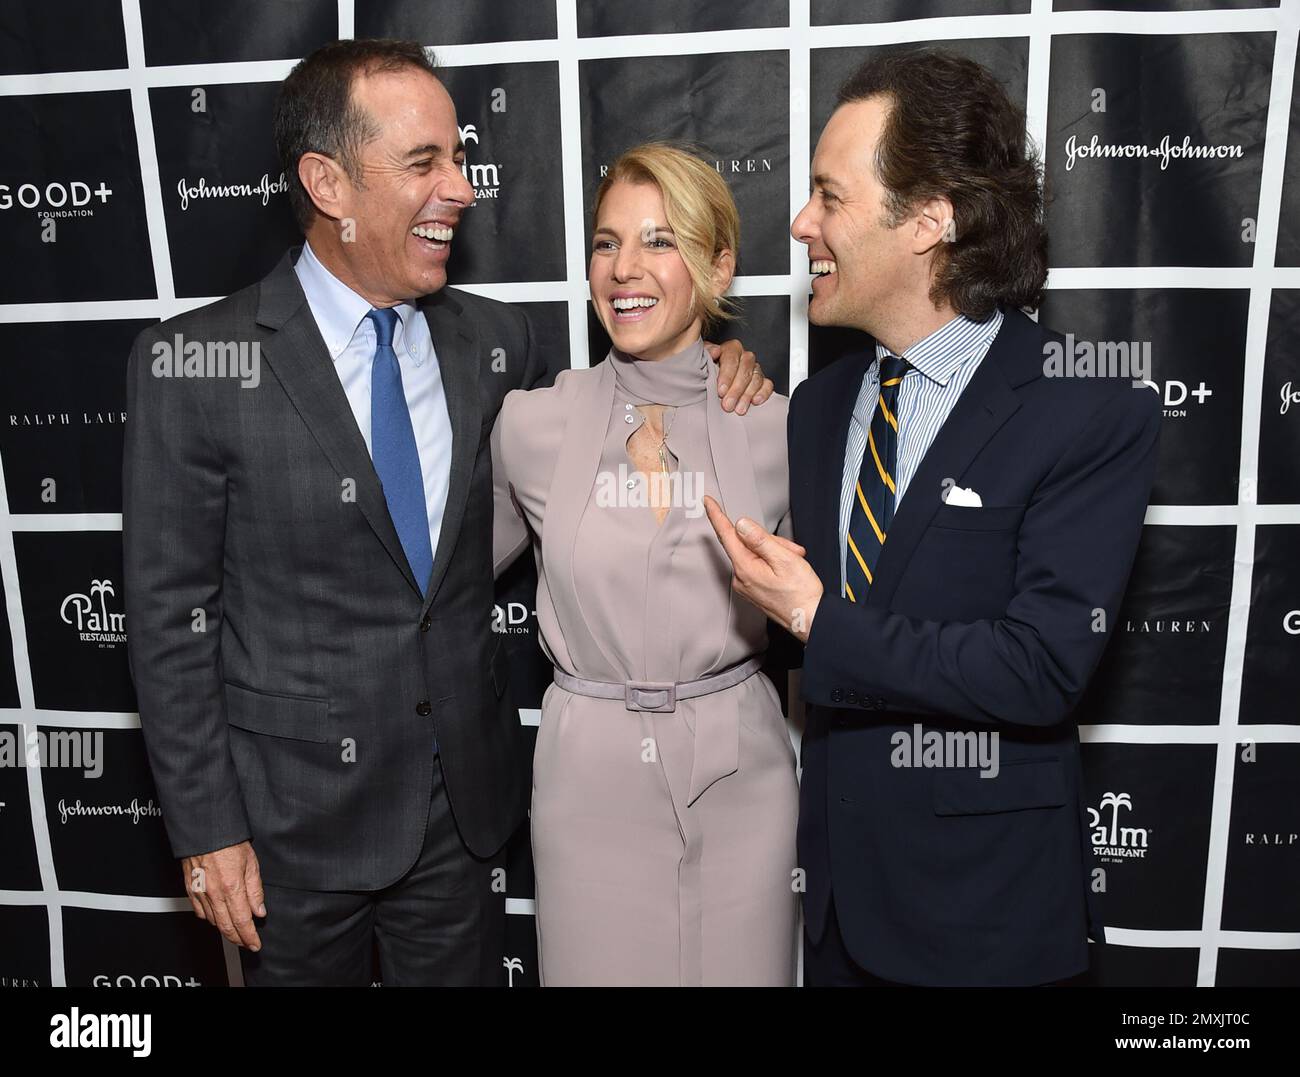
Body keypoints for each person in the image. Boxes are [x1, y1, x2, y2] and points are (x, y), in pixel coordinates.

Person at [122, 39, 769, 987]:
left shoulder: (494, 343)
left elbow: (613, 436)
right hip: (288, 838)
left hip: (461, 823)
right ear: (327, 183)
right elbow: (169, 623)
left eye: (459, 159)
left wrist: (718, 363)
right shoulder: (195, 368)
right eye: (425, 162)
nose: (462, 188)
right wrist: (209, 829)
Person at [705, 48, 1161, 986]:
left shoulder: (1083, 406)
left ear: (930, 219)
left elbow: (1039, 669)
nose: (799, 225)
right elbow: (814, 652)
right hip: (836, 916)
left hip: (985, 923)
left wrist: (814, 615)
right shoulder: (821, 408)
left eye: (829, 198)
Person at [491, 143, 799, 986]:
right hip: (589, 781)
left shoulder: (779, 425)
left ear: (718, 262)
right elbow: (436, 591)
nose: (624, 268)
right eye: (605, 242)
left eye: (660, 241)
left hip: (743, 771)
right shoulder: (530, 425)